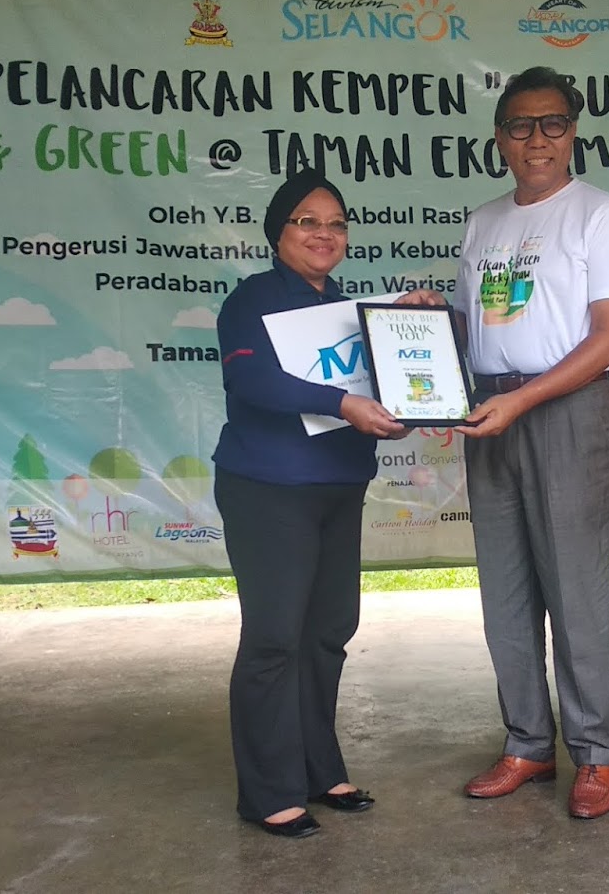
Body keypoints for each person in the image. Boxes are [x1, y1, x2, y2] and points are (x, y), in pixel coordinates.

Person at [212, 170, 435, 839]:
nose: (324, 234)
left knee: (328, 631)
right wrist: (341, 402)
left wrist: (413, 327)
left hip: (339, 486)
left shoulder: (352, 309)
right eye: (307, 221)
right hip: (268, 488)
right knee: (276, 639)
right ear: (279, 232)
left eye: (335, 222)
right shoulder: (252, 299)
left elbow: (393, 386)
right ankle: (268, 791)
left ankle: (319, 768)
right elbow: (251, 377)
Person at [453, 66, 609, 820]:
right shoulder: (483, 221)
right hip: (491, 411)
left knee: (577, 594)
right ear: (499, 138)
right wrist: (428, 319)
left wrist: (524, 399)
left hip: (565, 411)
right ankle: (528, 744)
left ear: (573, 131)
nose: (537, 140)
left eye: (553, 123)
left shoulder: (600, 213)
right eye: (520, 126)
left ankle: (595, 756)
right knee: (505, 594)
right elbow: (476, 330)